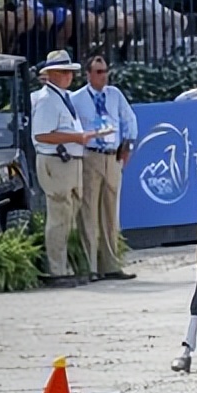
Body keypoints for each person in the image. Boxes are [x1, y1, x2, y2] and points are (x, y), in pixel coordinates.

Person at [32, 50, 105, 287]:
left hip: (68, 162)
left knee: (68, 215)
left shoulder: (61, 96)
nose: (69, 76)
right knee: (59, 216)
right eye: (64, 72)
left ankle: (63, 266)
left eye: (70, 72)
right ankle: (56, 270)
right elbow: (41, 135)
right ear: (51, 74)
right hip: (57, 161)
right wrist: (77, 136)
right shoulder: (47, 100)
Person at [70, 55, 137, 281]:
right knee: (88, 212)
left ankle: (110, 265)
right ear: (88, 74)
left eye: (105, 71)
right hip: (90, 156)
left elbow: (129, 119)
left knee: (110, 213)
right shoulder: (76, 98)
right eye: (98, 72)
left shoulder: (114, 95)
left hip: (112, 156)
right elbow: (71, 128)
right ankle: (90, 267)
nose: (103, 75)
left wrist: (127, 145)